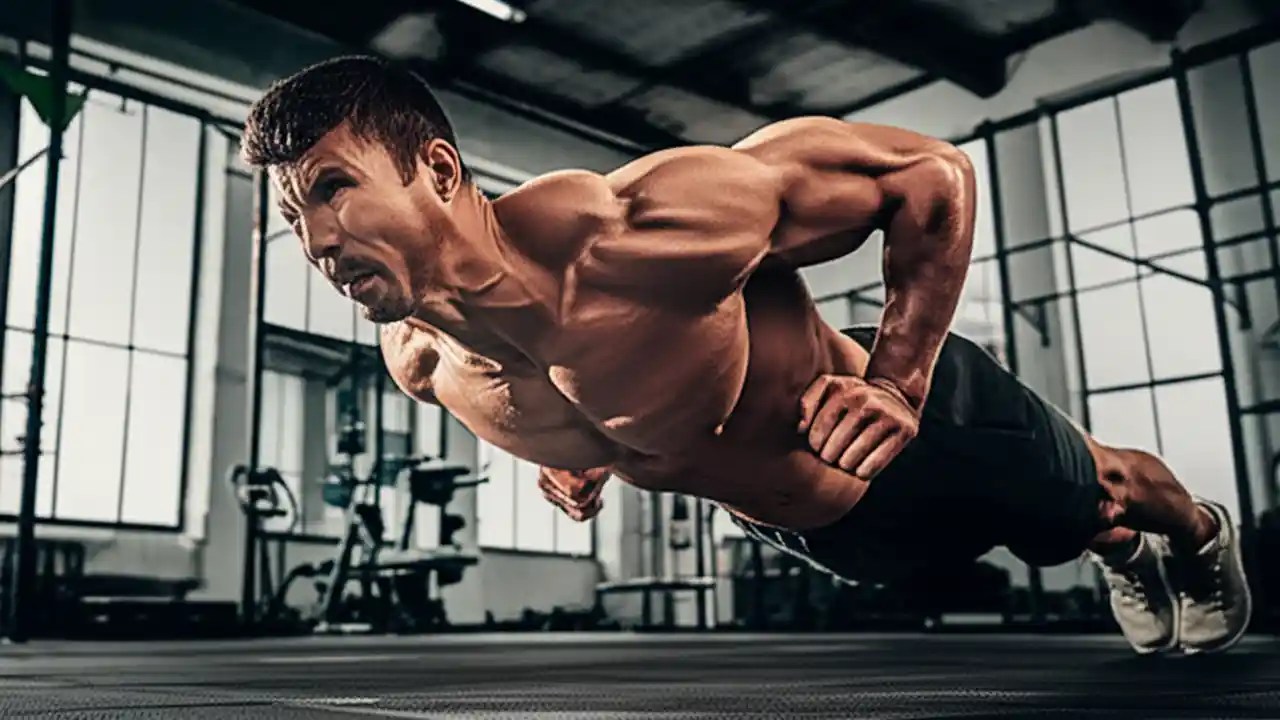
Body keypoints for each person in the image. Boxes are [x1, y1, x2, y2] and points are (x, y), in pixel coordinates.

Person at [240, 55, 1251, 655]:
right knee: (1065, 534)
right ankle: (1115, 553)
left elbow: (924, 174)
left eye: (334, 189)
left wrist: (898, 384)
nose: (318, 240)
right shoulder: (421, 364)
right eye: (293, 213)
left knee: (1102, 488)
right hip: (821, 535)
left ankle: (1197, 538)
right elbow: (612, 411)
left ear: (439, 169)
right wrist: (579, 464)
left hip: (915, 436)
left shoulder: (636, 232)